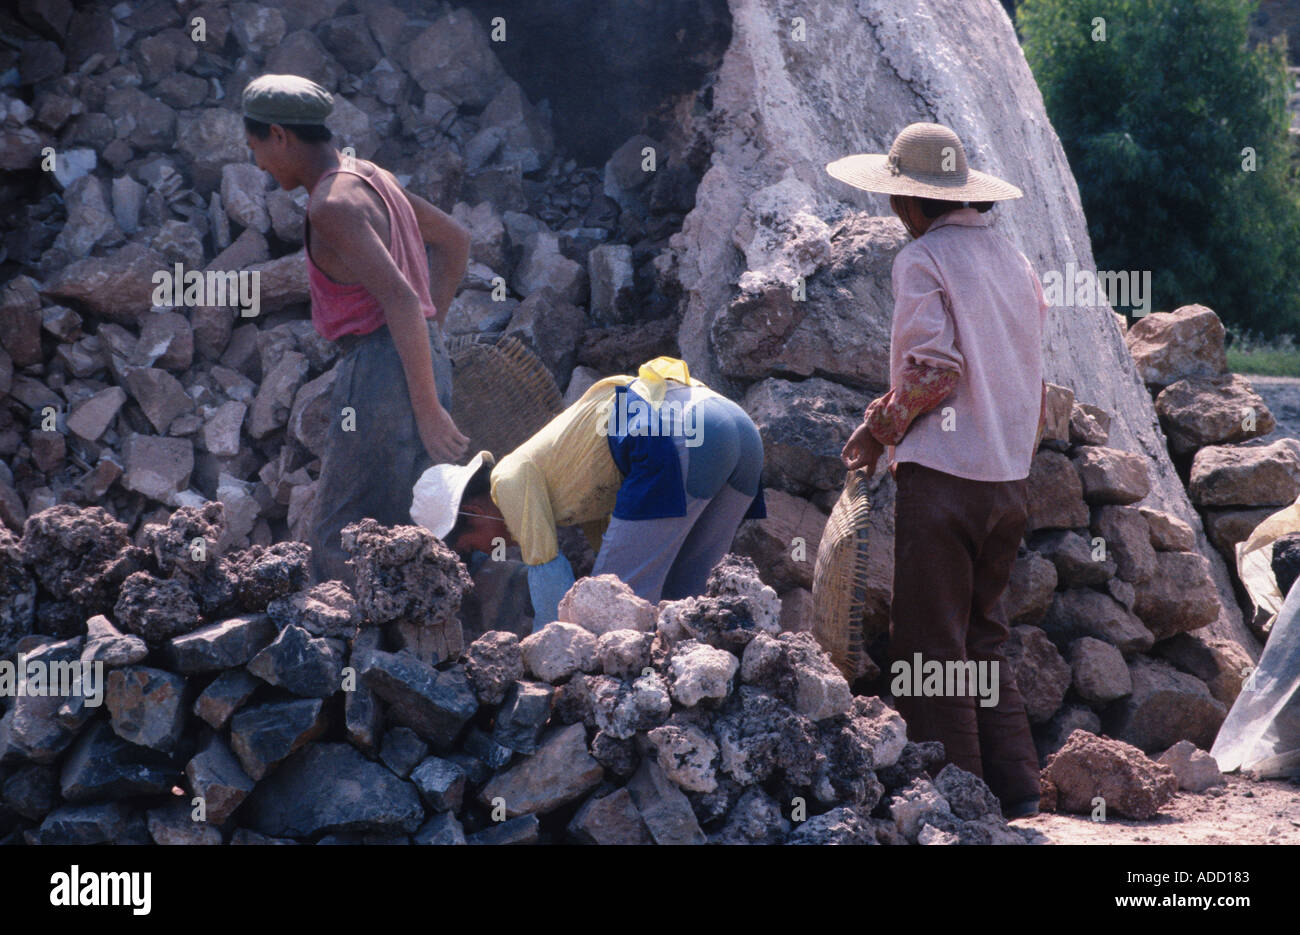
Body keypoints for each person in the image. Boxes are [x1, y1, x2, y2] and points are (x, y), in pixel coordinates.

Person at [828, 122, 1050, 819]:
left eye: (899, 199)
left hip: (945, 480)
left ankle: (954, 805)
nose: (896, 213)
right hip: (1007, 480)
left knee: (930, 644)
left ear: (916, 203)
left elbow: (935, 373)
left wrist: (877, 429)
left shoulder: (923, 259)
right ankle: (1016, 790)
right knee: (984, 636)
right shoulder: (1013, 259)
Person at [240, 74, 471, 588]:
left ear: (279, 135)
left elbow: (401, 300)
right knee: (409, 528)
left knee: (342, 534)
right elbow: (455, 241)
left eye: (256, 147)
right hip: (419, 359)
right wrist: (431, 342)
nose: (258, 164)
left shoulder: (331, 206)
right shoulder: (371, 176)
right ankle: (412, 655)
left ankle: (344, 659)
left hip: (379, 373)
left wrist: (427, 410)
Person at [411, 357, 766, 629]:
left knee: (606, 615)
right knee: (684, 604)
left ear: (474, 509)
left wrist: (545, 660)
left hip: (673, 435)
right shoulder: (560, 472)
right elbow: (619, 545)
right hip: (734, 427)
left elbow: (547, 572)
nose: (491, 553)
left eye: (474, 546)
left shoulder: (508, 479)